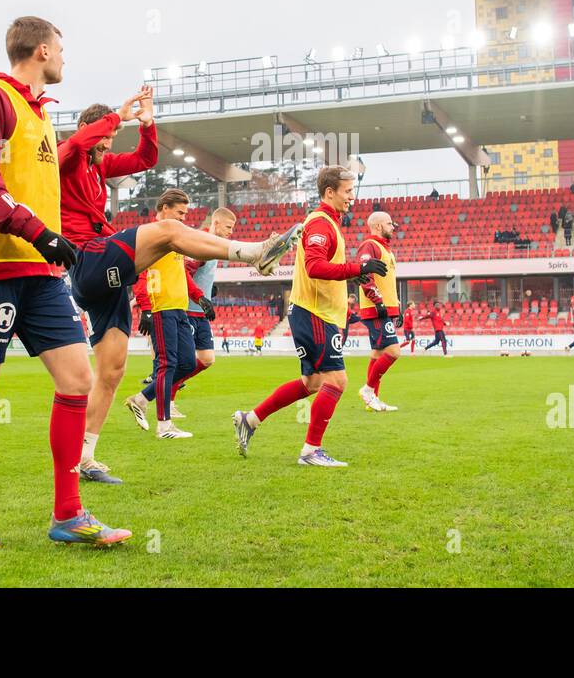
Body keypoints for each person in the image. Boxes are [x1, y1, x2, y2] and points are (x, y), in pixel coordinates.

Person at [0, 15, 129, 549]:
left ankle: (68, 514)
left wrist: (50, 245)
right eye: (62, 50)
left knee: (78, 380)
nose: (65, 59)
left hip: (41, 273)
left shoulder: (41, 114)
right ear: (42, 49)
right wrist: (42, 234)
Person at [59, 91, 293, 483]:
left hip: (105, 277)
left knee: (112, 370)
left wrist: (148, 124)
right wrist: (117, 115)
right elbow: (77, 143)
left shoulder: (99, 166)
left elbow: (145, 159)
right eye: (103, 141)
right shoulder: (68, 156)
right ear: (89, 131)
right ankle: (253, 252)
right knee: (170, 231)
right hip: (86, 257)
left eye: (110, 144)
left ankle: (85, 457)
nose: (106, 148)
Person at [232, 166, 388, 467]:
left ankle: (250, 420)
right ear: (329, 192)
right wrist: (358, 269)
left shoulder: (329, 223)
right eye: (347, 191)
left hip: (314, 313)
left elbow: (324, 269)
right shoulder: (320, 223)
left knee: (312, 382)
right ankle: (310, 451)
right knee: (337, 380)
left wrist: (354, 275)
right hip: (315, 314)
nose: (352, 197)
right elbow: (315, 267)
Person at [123, 192, 219, 438]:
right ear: (164, 208)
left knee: (187, 363)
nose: (184, 218)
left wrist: (199, 297)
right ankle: (164, 426)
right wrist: (145, 307)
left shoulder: (173, 239)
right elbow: (140, 274)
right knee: (167, 364)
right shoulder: (149, 235)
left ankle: (142, 399)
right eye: (180, 213)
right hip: (159, 307)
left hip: (178, 308)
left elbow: (182, 274)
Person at [355, 210, 401, 412]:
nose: (393, 227)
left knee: (377, 353)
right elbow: (365, 276)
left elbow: (388, 283)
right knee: (393, 352)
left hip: (385, 308)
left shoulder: (386, 249)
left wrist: (395, 308)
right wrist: (379, 303)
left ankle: (372, 400)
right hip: (376, 308)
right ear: (378, 226)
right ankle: (368, 390)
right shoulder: (369, 245)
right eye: (390, 223)